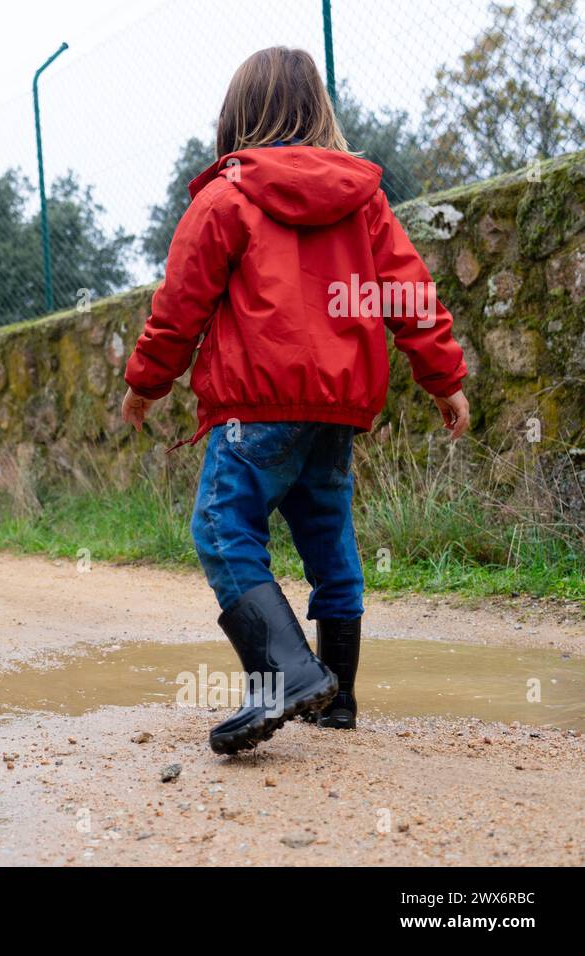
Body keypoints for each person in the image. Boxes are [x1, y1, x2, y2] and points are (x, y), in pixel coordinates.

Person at [121, 47, 470, 755]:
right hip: (335, 411)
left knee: (222, 529)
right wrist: (444, 377)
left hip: (256, 405)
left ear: (236, 117)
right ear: (319, 111)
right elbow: (408, 292)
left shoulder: (227, 197)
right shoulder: (363, 200)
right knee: (328, 542)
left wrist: (146, 383)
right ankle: (333, 696)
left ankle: (283, 672)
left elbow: (179, 306)